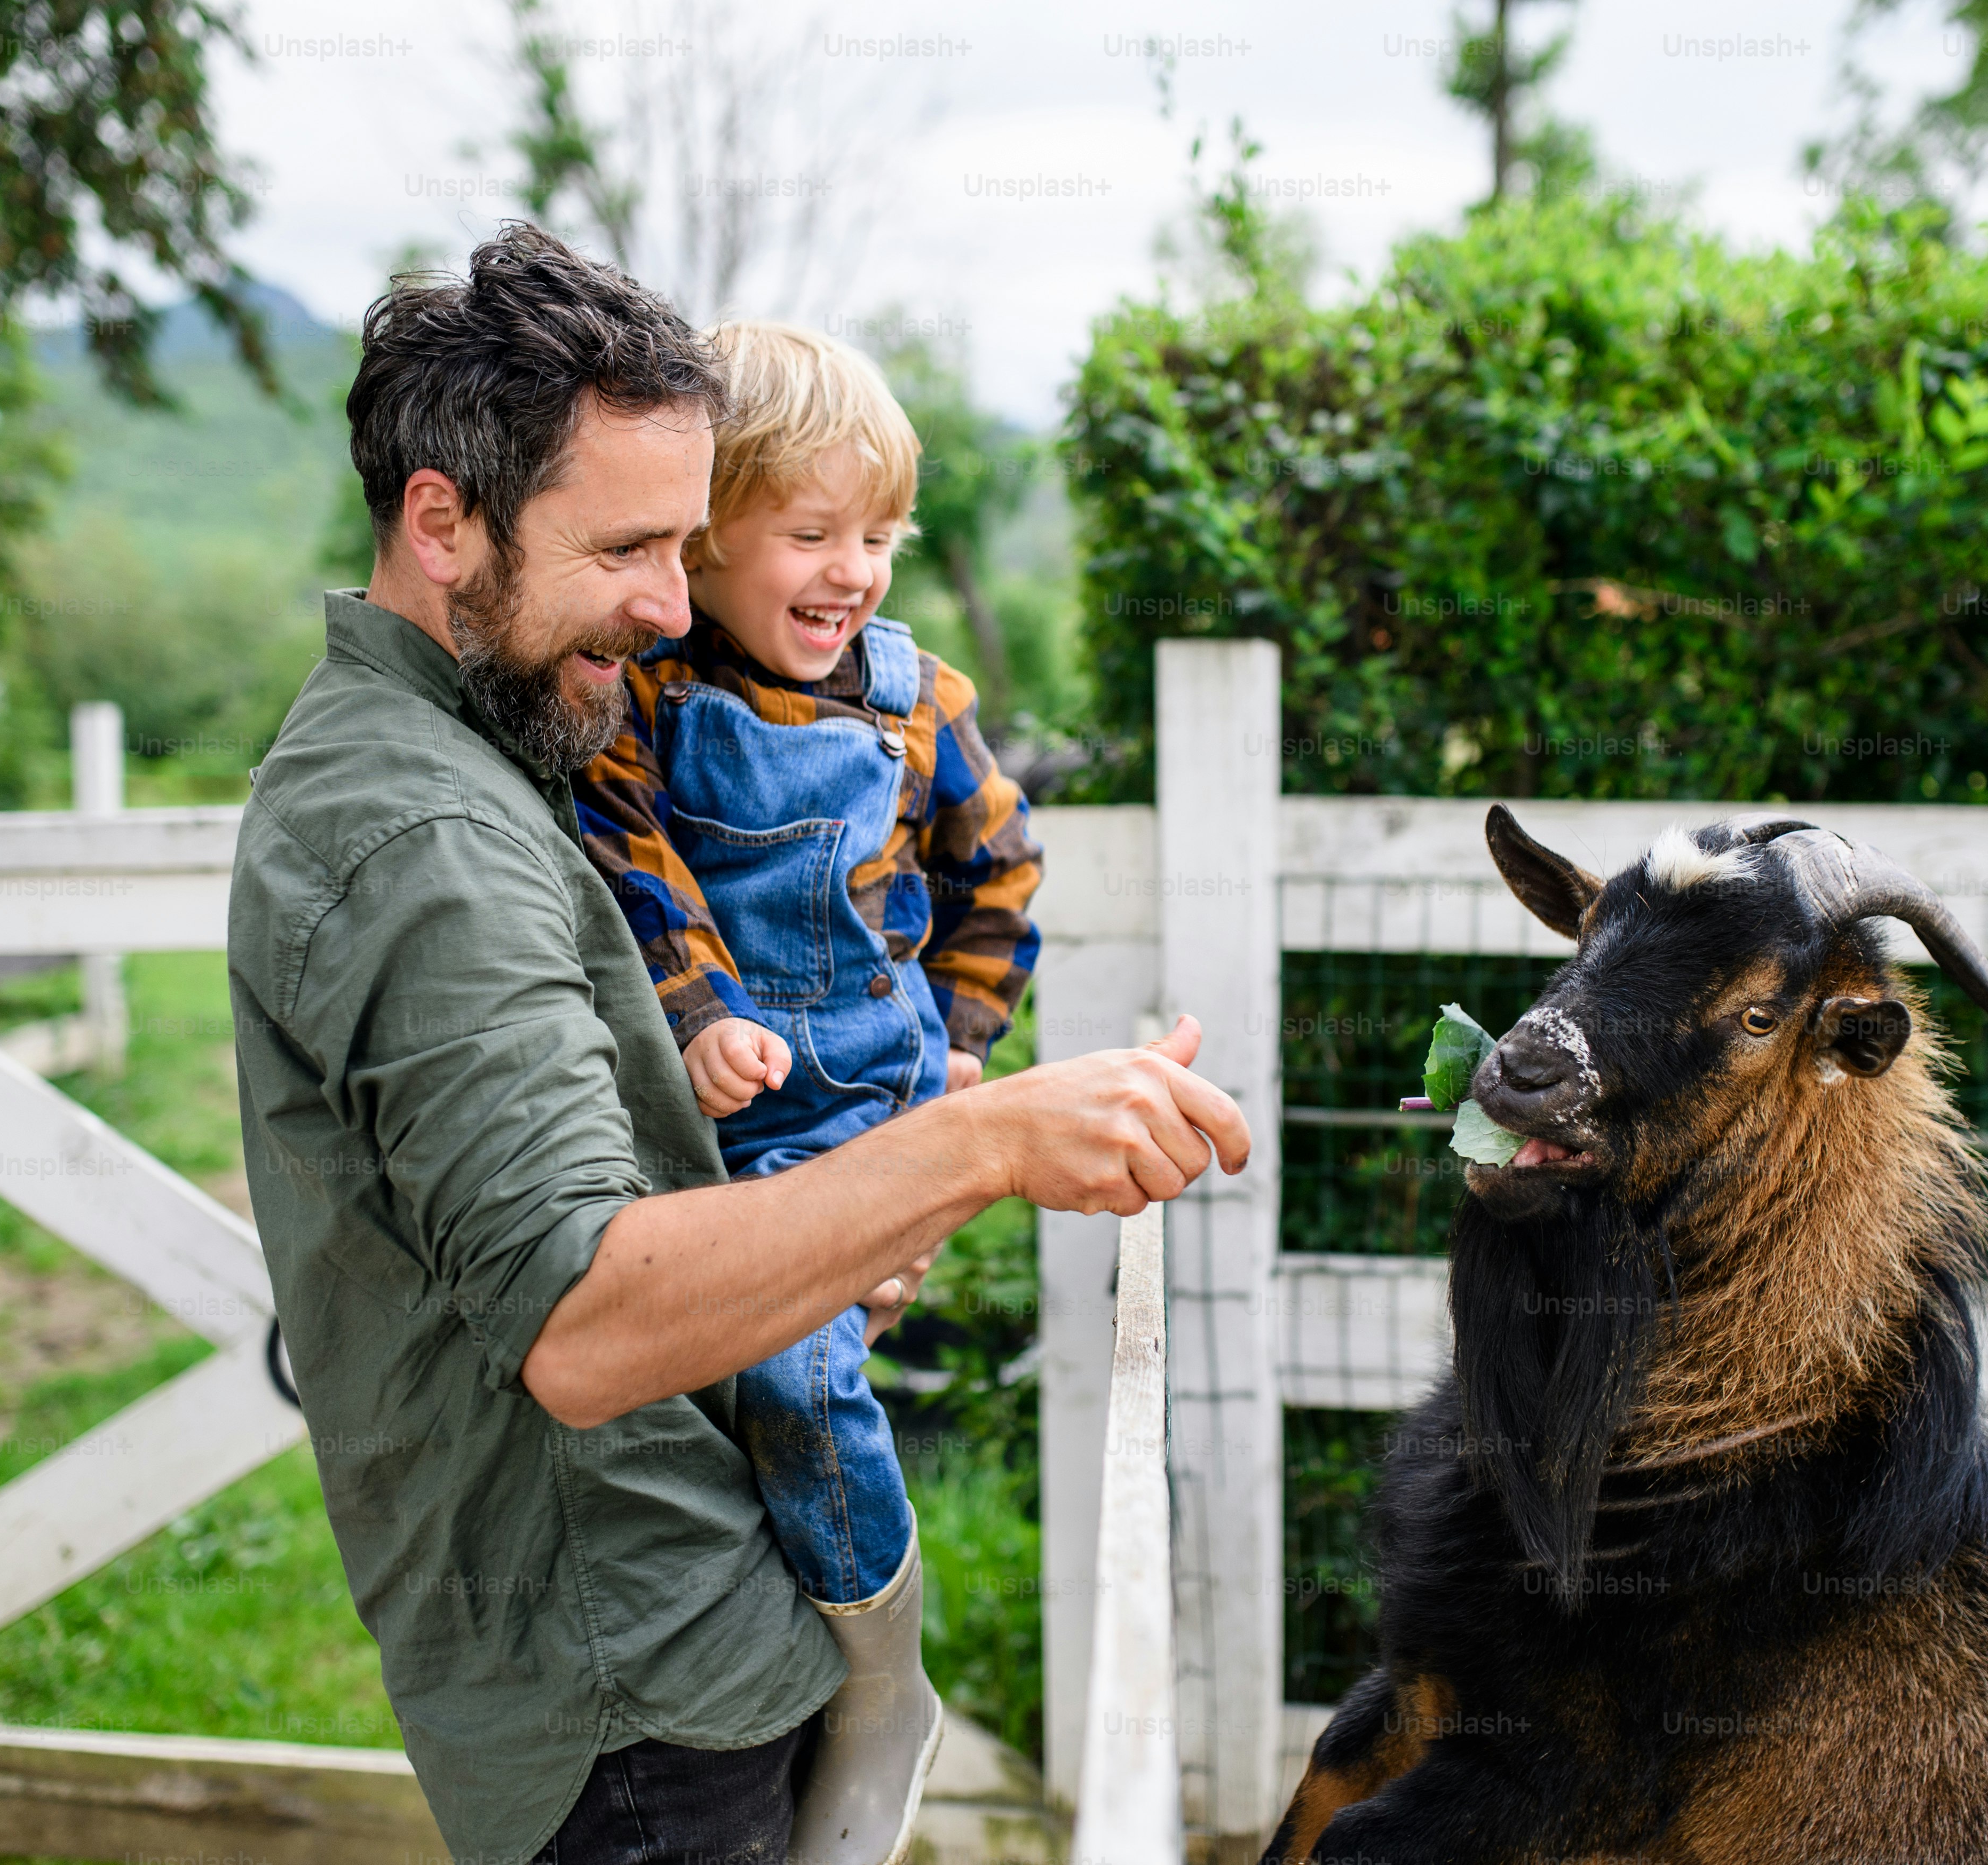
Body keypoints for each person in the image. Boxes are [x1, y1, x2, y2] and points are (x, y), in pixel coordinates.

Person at [227, 223, 1248, 1865]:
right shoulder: (420, 834)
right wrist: (975, 1146)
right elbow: (582, 1321)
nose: (661, 605)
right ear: (441, 520)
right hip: (632, 1683)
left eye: (685, 544)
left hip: (695, 1601)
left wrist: (847, 1214)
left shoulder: (511, 736)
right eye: (626, 548)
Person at [570, 320, 1041, 1865]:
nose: (855, 572)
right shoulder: (643, 696)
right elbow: (628, 853)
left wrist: (965, 1042)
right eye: (814, 533)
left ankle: (877, 1670)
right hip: (720, 1108)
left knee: (795, 1372)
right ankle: (771, 1658)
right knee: (688, 1382)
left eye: (883, 537)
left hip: (867, 1101)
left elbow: (1002, 872)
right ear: (704, 542)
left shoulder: (916, 698)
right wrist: (697, 1008)